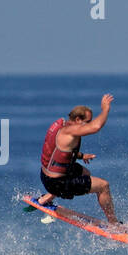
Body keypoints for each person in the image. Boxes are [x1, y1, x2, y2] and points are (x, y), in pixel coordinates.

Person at [37, 93, 119, 224]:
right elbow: (96, 127)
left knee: (85, 173)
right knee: (103, 186)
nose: (88, 125)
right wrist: (105, 110)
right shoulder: (70, 131)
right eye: (87, 122)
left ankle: (46, 198)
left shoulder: (60, 126)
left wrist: (81, 156)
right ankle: (114, 223)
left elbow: (60, 150)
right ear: (77, 120)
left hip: (46, 176)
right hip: (58, 184)